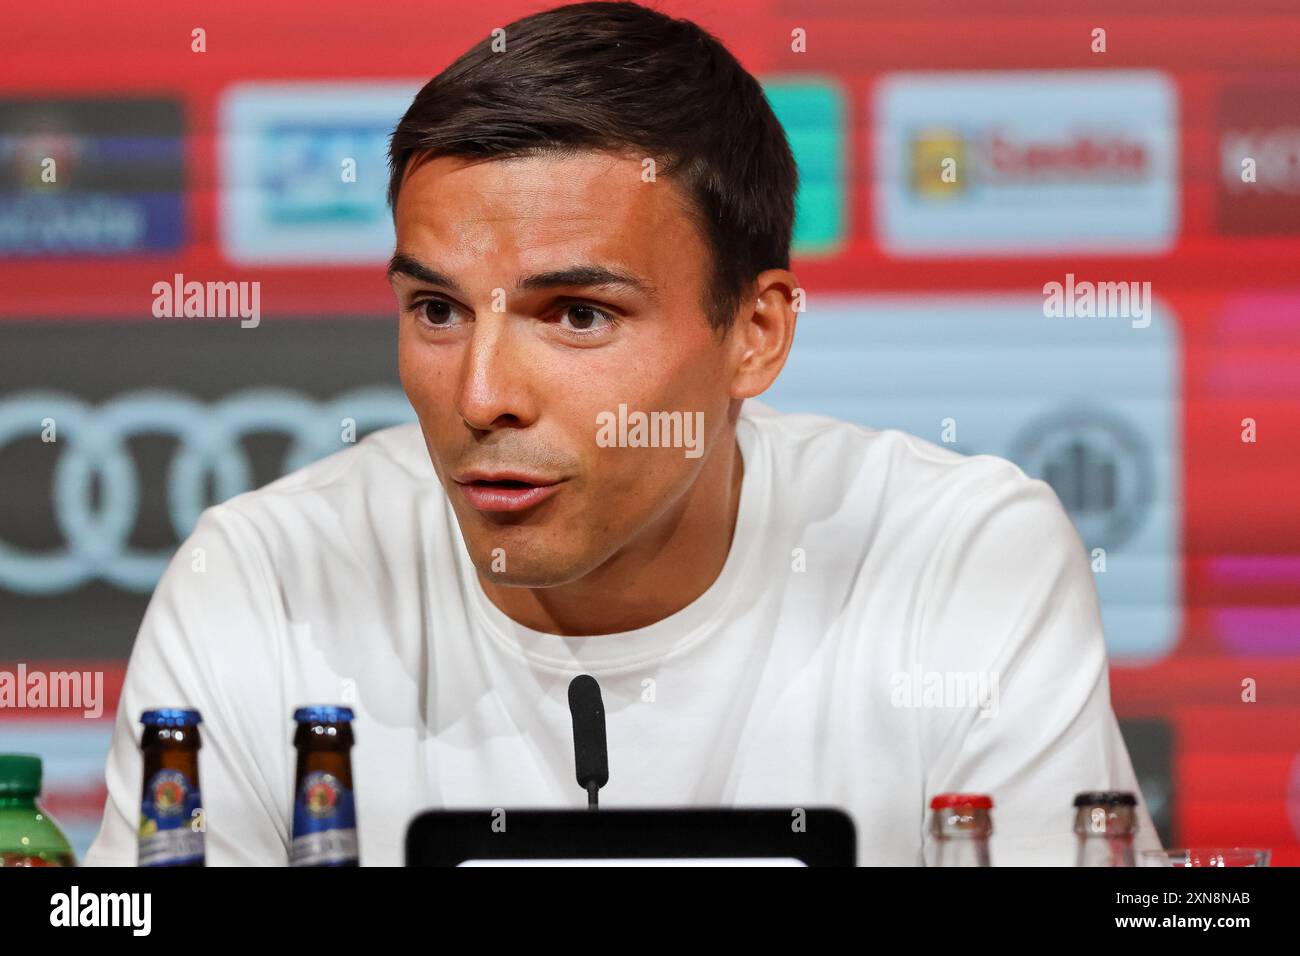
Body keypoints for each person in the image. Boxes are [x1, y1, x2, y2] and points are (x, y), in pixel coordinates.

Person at [86, 0, 1160, 866]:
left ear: (754, 332)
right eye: (438, 310)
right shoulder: (264, 577)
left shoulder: (956, 556)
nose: (481, 395)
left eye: (577, 314)